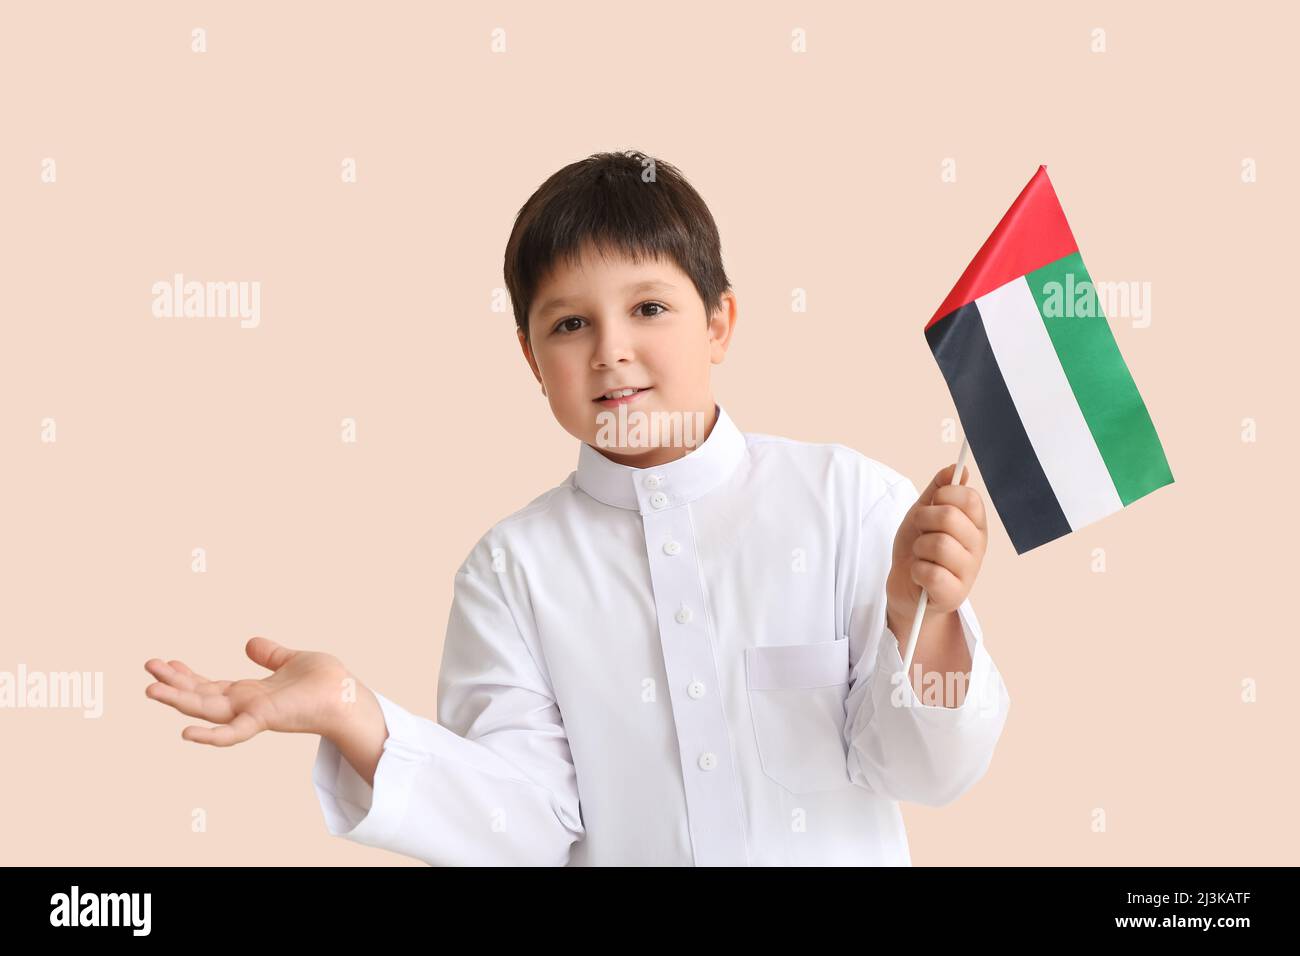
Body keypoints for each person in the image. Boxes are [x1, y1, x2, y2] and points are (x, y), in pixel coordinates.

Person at [144, 149, 1010, 866]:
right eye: (569, 325)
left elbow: (930, 771)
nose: (612, 352)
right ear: (529, 356)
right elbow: (521, 824)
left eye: (649, 308)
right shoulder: (510, 571)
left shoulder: (851, 504)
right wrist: (353, 713)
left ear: (719, 322)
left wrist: (919, 615)